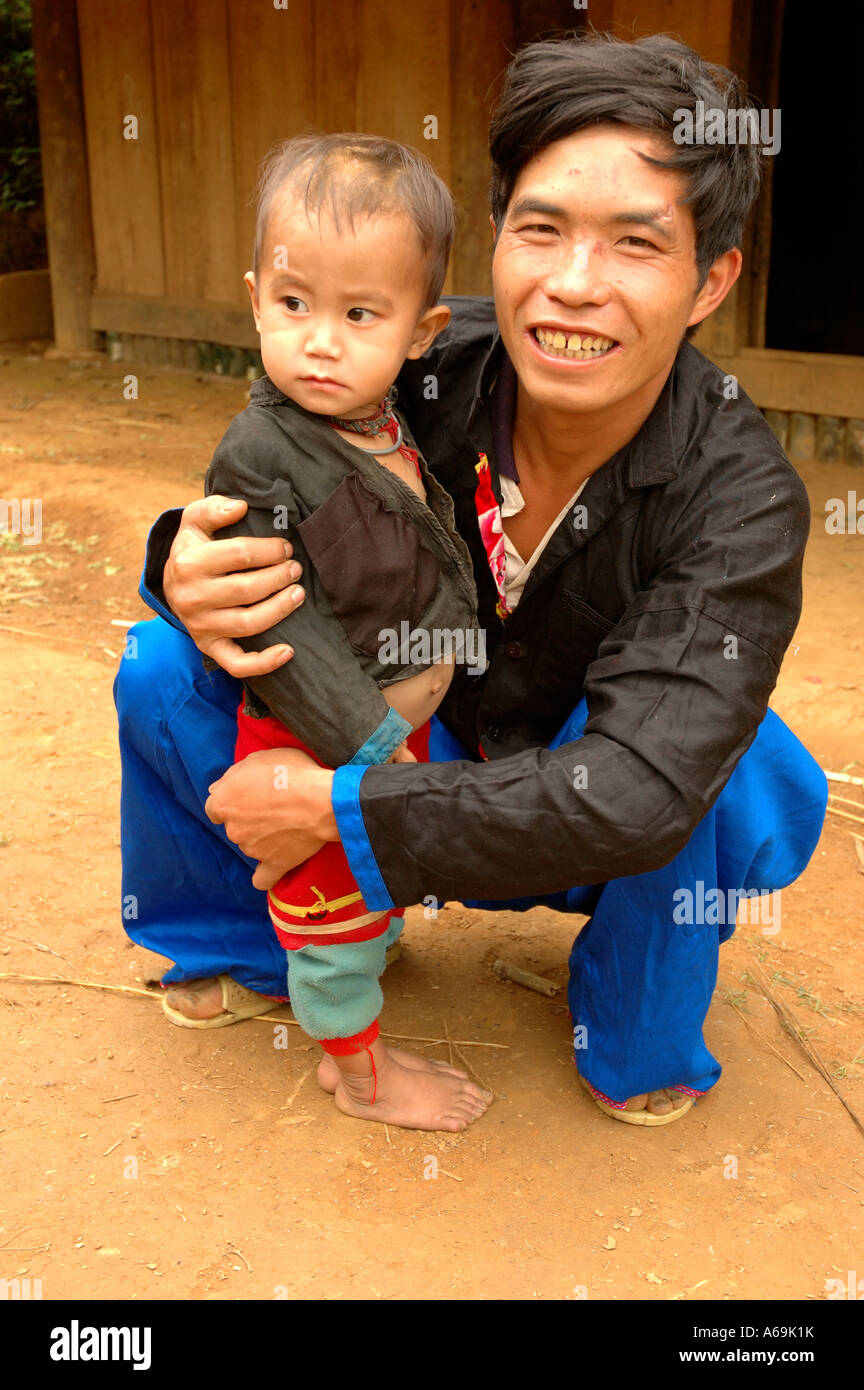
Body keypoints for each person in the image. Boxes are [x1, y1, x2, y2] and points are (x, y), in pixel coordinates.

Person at [116, 31, 827, 1128]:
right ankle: (242, 941)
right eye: (542, 229)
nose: (574, 286)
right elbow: (263, 491)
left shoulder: (743, 497)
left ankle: (631, 1017)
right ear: (497, 237)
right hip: (407, 731)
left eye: (637, 244)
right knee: (165, 662)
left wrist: (342, 804)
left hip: (572, 795)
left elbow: (638, 789)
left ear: (710, 281)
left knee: (737, 767)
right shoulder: (416, 370)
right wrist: (185, 562)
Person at [186, 131, 489, 1132]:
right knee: (332, 917)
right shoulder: (263, 448)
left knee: (366, 894)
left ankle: (369, 959)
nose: (319, 340)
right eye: (292, 304)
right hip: (319, 737)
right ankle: (353, 1073)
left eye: (359, 314)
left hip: (383, 732)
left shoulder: (382, 417)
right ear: (254, 297)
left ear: (420, 330)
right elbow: (287, 626)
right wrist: (371, 761)